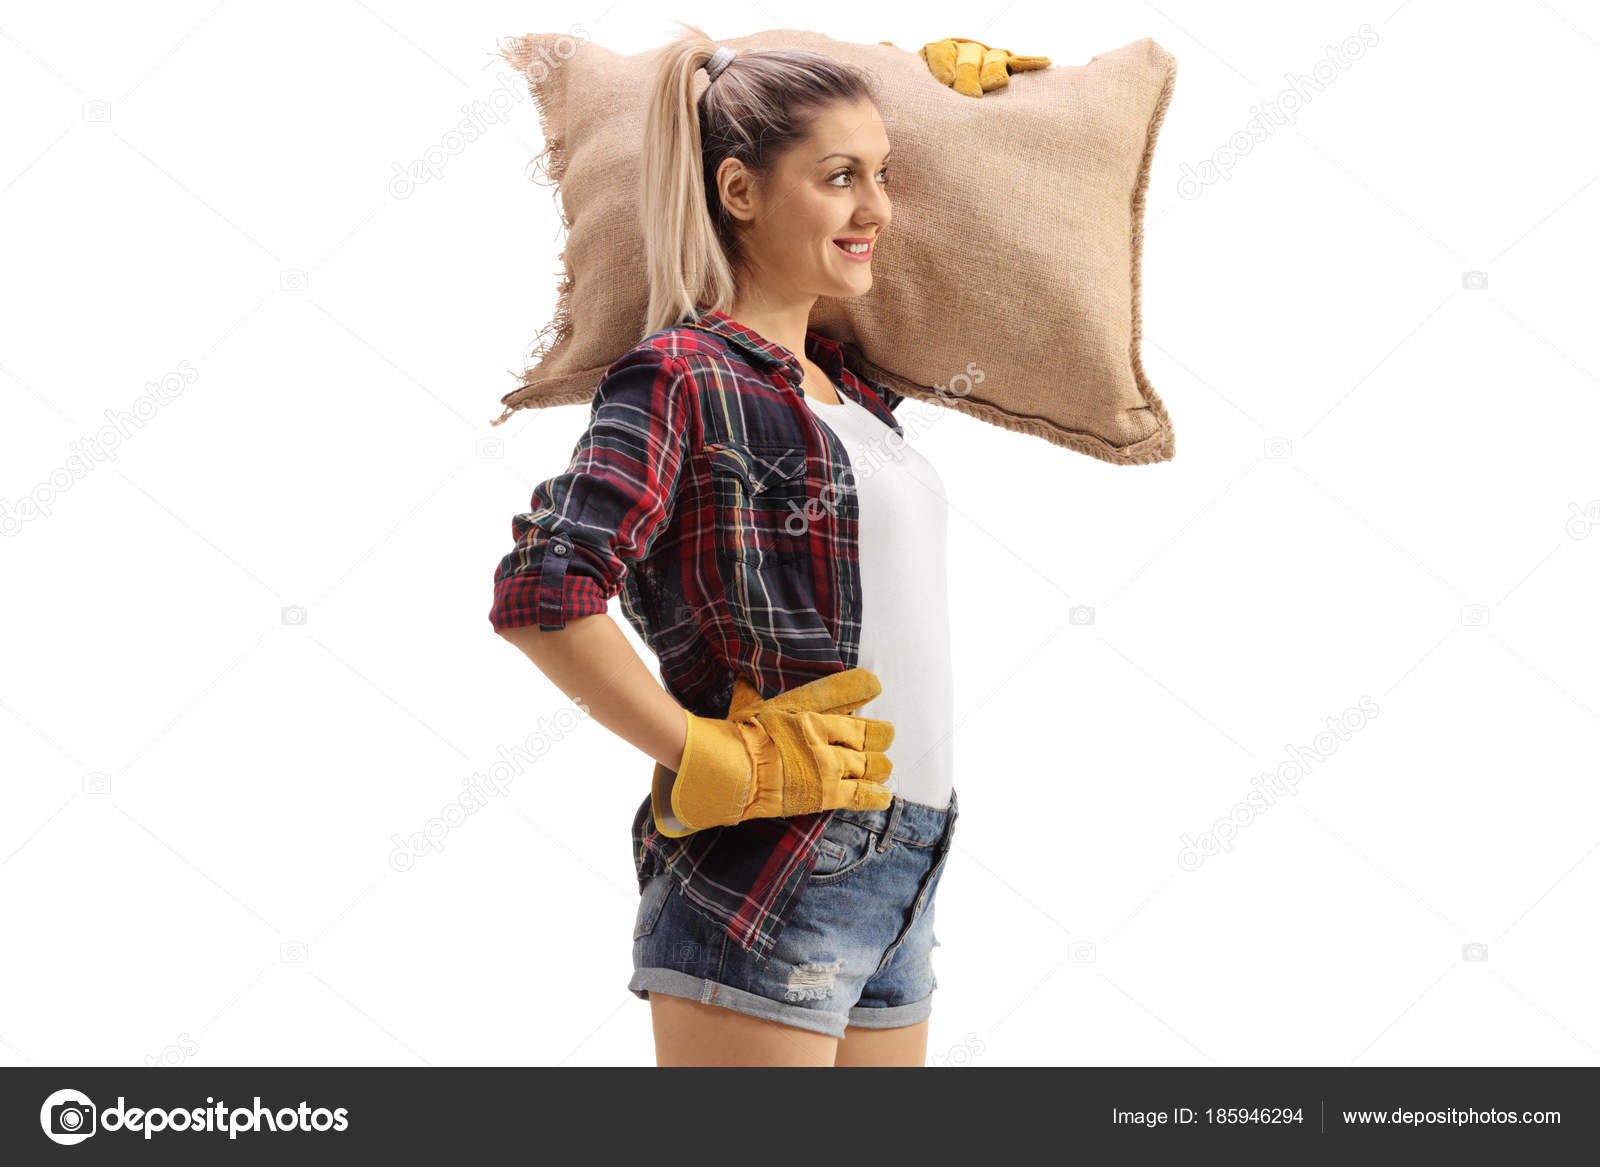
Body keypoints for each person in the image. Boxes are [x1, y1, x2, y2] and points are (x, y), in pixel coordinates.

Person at [489, 23, 957, 1066]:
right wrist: (699, 751)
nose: (875, 209)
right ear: (739, 191)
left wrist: (960, 87)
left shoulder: (859, 392)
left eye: (884, 175)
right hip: (772, 855)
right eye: (839, 178)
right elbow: (542, 588)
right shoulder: (684, 374)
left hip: (908, 849)